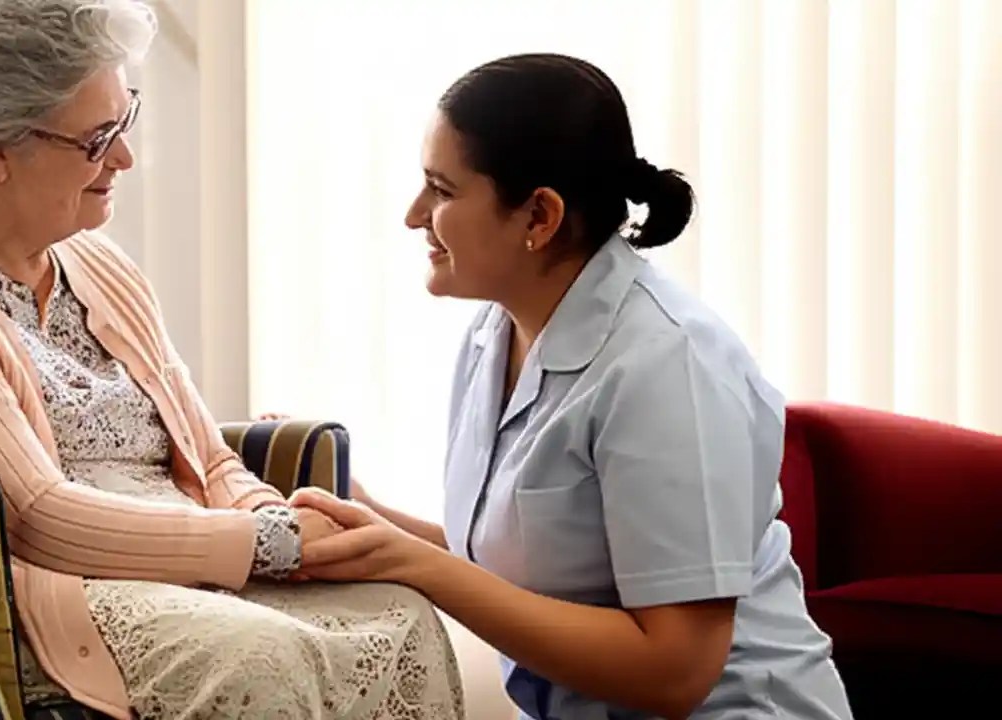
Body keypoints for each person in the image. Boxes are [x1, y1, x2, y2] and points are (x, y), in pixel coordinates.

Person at [0, 1, 462, 718]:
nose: (124, 157)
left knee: (401, 615)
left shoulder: (95, 261)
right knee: (263, 659)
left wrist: (280, 521)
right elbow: (35, 519)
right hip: (52, 593)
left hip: (191, 564)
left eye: (124, 122)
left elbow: (208, 460)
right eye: (96, 139)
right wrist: (268, 544)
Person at [289, 54, 854, 720]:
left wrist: (414, 565)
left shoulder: (670, 367)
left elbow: (675, 671)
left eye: (441, 190)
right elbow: (545, 564)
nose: (415, 216)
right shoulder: (495, 334)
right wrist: (372, 519)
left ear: (539, 217)